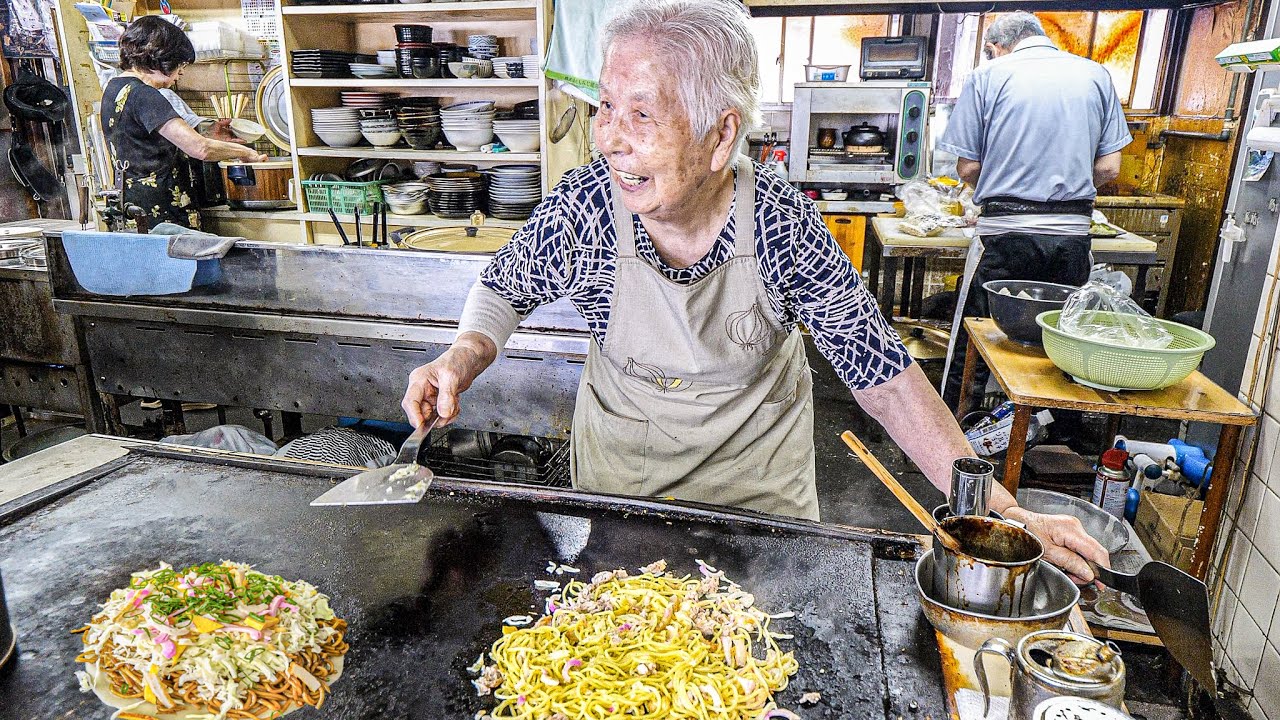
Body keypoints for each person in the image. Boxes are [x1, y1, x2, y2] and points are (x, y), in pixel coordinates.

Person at [402, 0, 1109, 582]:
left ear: (720, 137)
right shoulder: (586, 206)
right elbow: (503, 288)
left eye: (642, 115)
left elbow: (883, 376)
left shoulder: (779, 221)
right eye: (606, 106)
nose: (610, 139)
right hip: (621, 487)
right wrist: (460, 358)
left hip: (756, 494)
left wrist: (998, 505)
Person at [938, 12, 1133, 407]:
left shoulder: (988, 76)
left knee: (977, 335)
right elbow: (1110, 168)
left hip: (1006, 234)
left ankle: (957, 428)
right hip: (1071, 237)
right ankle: (1056, 436)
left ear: (995, 47)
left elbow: (969, 167)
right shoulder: (1095, 75)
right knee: (1064, 342)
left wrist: (1007, 189)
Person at [101, 15, 266, 229]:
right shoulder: (146, 95)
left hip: (132, 208)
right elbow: (200, 148)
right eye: (179, 63)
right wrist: (245, 152)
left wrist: (208, 134)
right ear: (161, 57)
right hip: (161, 215)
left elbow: (146, 142)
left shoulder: (113, 88)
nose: (180, 72)